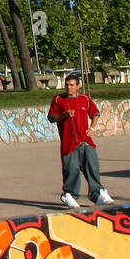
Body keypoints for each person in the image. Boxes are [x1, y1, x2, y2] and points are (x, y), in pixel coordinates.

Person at [47, 74, 114, 209]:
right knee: (72, 170)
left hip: (86, 140)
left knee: (92, 167)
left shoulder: (85, 99)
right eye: (67, 85)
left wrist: (92, 128)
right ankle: (69, 194)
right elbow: (51, 117)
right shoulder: (58, 99)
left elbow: (95, 113)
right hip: (69, 142)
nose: (68, 87)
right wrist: (64, 115)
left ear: (78, 86)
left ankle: (97, 193)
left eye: (71, 85)